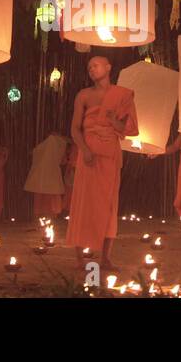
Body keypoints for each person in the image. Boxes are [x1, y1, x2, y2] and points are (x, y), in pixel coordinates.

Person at [65, 56, 138, 271]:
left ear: (108, 67)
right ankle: (80, 258)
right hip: (88, 154)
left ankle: (105, 257)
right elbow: (74, 129)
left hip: (110, 154)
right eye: (88, 67)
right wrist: (85, 150)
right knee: (83, 202)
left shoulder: (122, 95)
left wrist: (113, 120)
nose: (91, 70)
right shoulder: (84, 95)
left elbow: (129, 128)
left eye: (95, 65)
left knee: (108, 204)